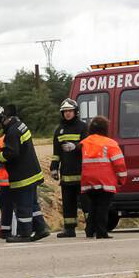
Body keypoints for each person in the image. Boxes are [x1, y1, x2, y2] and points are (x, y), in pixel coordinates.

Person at [0, 105, 49, 242]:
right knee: (33, 205)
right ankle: (41, 229)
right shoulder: (20, 125)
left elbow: (12, 153)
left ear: (2, 119)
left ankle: (24, 234)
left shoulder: (12, 132)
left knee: (23, 206)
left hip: (23, 176)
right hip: (32, 172)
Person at [80, 116, 128, 239]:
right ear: (105, 128)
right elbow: (119, 164)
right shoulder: (110, 144)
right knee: (102, 206)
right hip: (105, 181)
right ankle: (101, 232)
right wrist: (122, 179)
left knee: (93, 205)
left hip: (88, 181)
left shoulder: (84, 142)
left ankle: (89, 230)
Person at [51, 98, 88, 238]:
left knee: (86, 202)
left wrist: (76, 146)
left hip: (82, 173)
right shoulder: (59, 130)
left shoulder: (83, 127)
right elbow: (56, 153)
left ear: (75, 112)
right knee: (68, 203)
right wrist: (54, 168)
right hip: (66, 174)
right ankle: (69, 229)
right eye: (65, 111)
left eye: (70, 111)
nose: (67, 114)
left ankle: (91, 226)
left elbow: (88, 145)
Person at [0, 132, 13, 238]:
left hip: (6, 180)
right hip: (16, 178)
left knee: (6, 206)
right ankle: (14, 229)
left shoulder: (0, 141)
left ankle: (6, 231)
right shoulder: (21, 137)